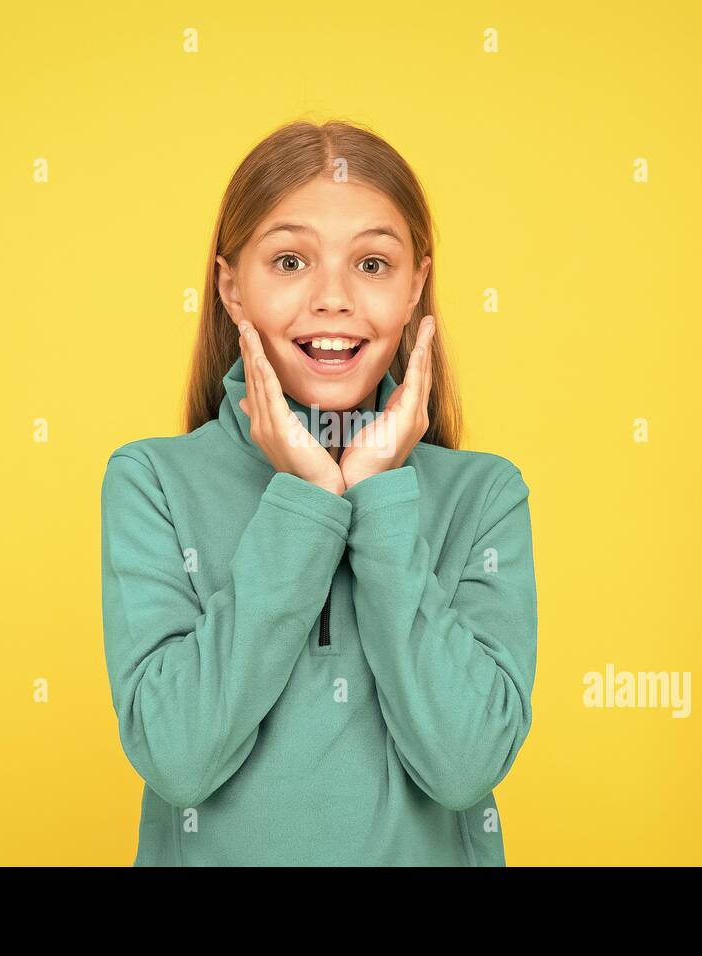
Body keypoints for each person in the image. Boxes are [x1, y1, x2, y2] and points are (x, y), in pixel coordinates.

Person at [100, 118, 538, 865]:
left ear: (414, 291)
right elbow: (178, 758)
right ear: (232, 288)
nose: (333, 299)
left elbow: (464, 767)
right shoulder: (151, 482)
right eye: (291, 260)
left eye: (372, 264)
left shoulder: (484, 495)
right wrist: (307, 499)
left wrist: (380, 493)